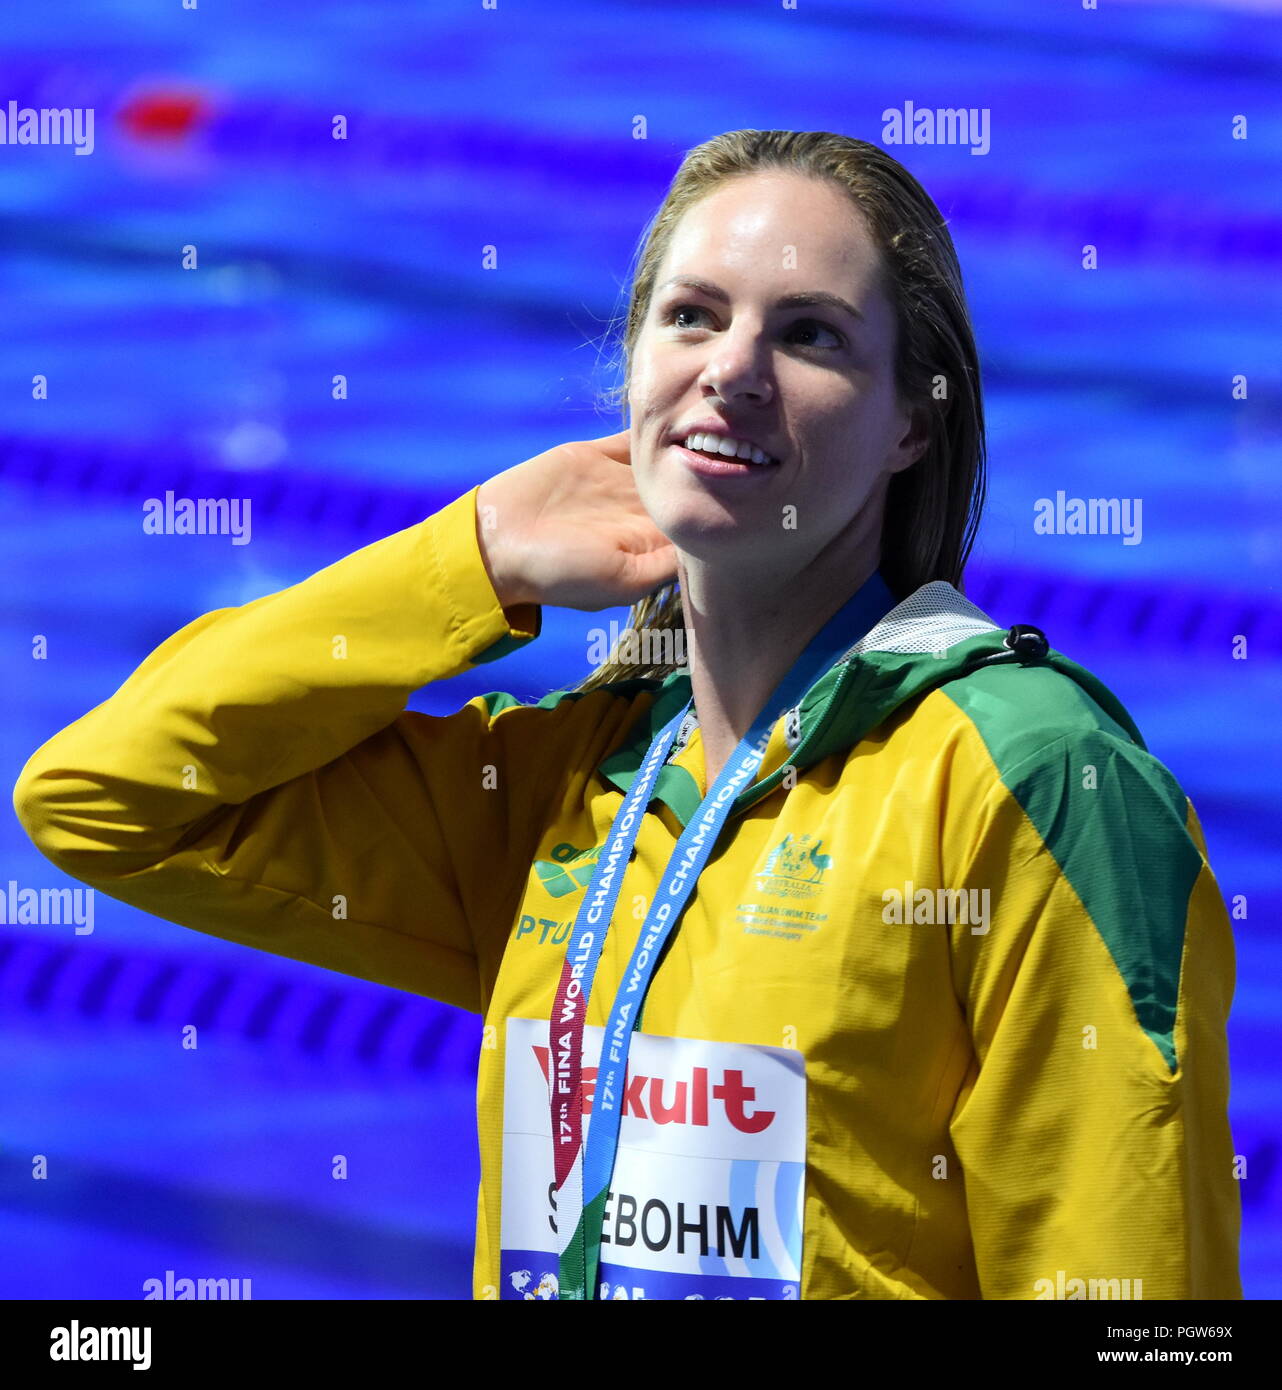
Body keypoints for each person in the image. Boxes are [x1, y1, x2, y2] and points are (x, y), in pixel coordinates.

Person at [13, 129, 1241, 1301]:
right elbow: (107, 798)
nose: (733, 370)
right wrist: (472, 557)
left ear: (910, 423)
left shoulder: (1030, 782)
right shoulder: (565, 791)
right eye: (692, 316)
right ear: (637, 369)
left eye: (808, 335)